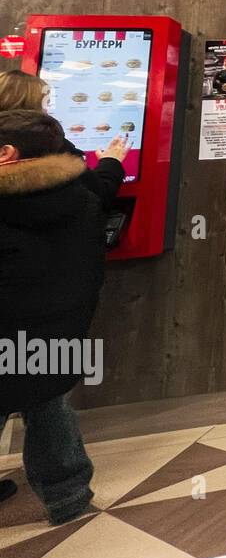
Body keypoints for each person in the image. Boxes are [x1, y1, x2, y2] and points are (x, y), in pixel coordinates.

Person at [0, 110, 106, 524]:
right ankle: (68, 496)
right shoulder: (82, 196)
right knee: (51, 407)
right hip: (61, 329)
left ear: (7, 152)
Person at [0, 69, 127, 209]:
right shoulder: (49, 144)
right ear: (33, 106)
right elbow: (98, 195)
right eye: (45, 103)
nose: (47, 110)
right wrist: (111, 161)